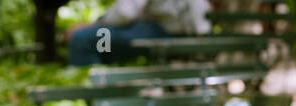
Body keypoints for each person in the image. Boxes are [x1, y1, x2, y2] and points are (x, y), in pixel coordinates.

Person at [66, 0, 210, 66]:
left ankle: (99, 99)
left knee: (82, 38)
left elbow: (125, 13)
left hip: (164, 35)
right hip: (199, 36)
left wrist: (93, 25)